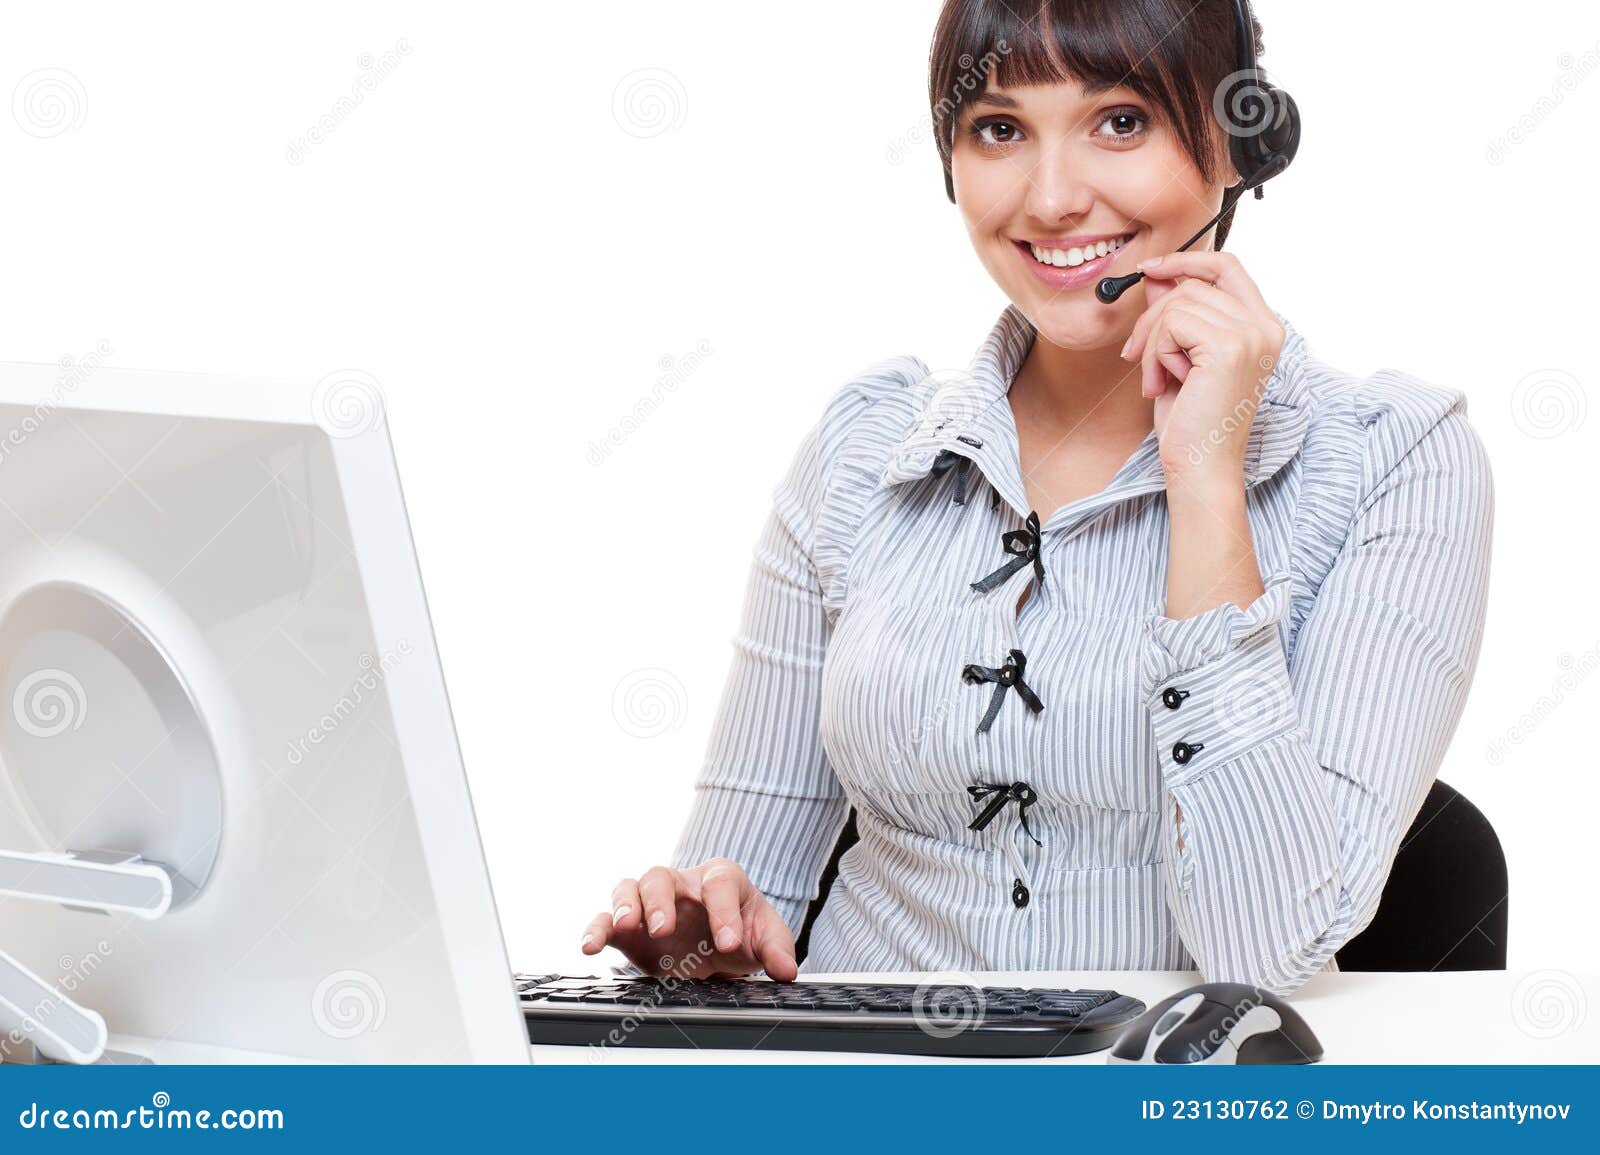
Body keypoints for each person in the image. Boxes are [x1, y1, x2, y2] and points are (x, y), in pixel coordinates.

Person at [579, 0, 1493, 996]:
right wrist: (703, 938)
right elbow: (742, 880)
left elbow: (1263, 954)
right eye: (1000, 130)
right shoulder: (861, 453)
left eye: (1119, 120)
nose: (1052, 199)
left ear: (1240, 145)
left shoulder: (1395, 465)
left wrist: (1204, 480)